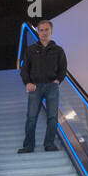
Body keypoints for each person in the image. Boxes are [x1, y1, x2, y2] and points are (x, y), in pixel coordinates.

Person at [18, 19, 68, 152]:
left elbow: (63, 69)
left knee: (52, 117)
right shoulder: (30, 50)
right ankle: (28, 146)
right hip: (35, 87)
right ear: (38, 32)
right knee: (31, 118)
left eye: (47, 30)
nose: (44, 32)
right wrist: (27, 82)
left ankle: (49, 144)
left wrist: (58, 80)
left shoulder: (58, 50)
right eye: (41, 30)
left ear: (51, 31)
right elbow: (24, 70)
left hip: (52, 87)